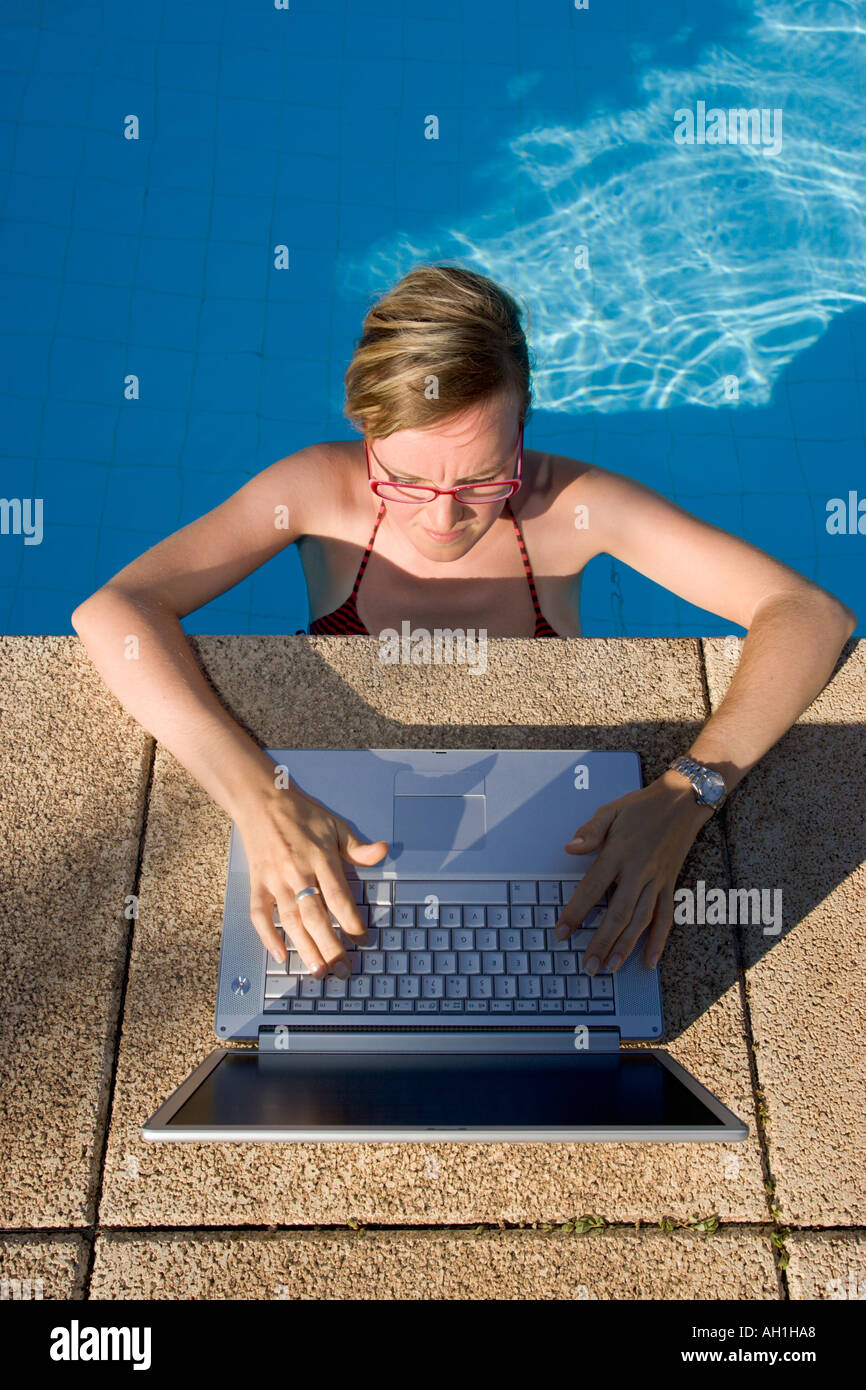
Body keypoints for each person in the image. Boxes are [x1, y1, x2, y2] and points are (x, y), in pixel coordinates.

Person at [71, 264, 857, 986]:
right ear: (363, 425)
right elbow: (116, 609)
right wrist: (257, 801)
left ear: (523, 426)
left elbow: (806, 614)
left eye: (485, 477)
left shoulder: (573, 505)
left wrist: (689, 793)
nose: (443, 519)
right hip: (348, 805)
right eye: (405, 479)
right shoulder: (313, 490)